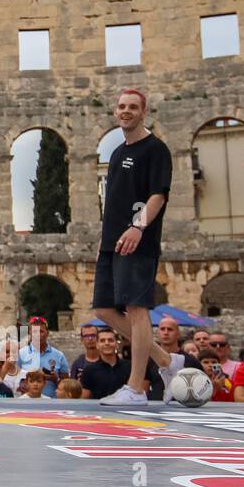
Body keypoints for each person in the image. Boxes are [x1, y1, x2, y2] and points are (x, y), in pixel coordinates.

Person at [91, 89, 184, 406]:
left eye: (133, 107)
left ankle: (136, 388)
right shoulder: (117, 153)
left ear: (144, 112)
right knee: (103, 308)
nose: (126, 111)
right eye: (121, 106)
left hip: (137, 240)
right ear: (115, 112)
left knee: (136, 307)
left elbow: (159, 195)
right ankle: (168, 362)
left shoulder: (155, 150)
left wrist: (138, 227)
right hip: (111, 242)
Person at [18, 317, 69, 397]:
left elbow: (67, 386)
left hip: (52, 404)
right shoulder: (21, 354)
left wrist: (55, 379)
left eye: (41, 331)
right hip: (28, 404)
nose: (38, 335)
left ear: (47, 333)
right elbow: (13, 380)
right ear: (30, 333)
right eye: (34, 332)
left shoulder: (59, 356)